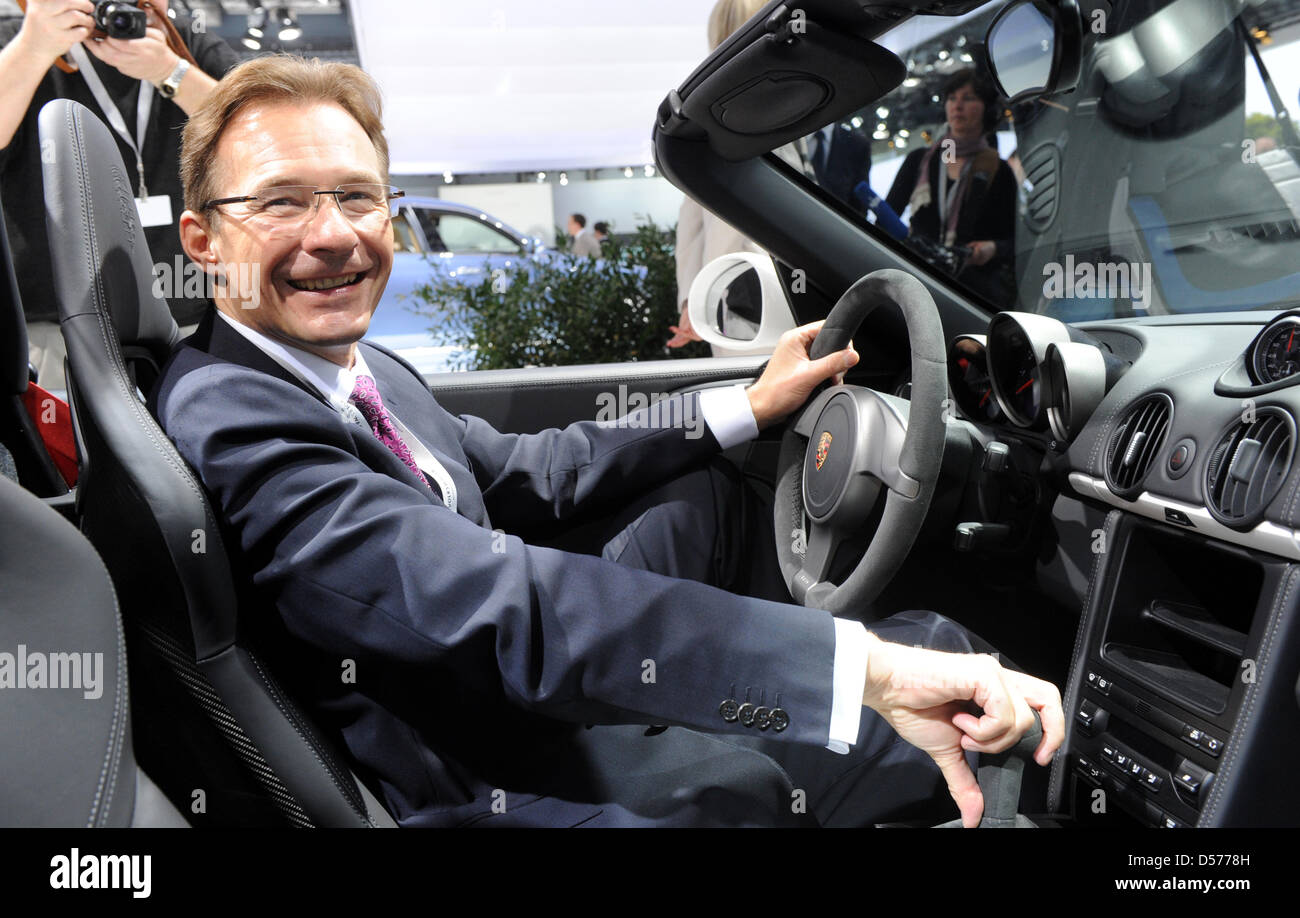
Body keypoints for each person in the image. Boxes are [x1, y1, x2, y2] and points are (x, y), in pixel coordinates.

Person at [150, 55, 1063, 828]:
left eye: (357, 196)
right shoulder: (232, 411)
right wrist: (869, 669)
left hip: (505, 708)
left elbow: (532, 470)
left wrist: (750, 400)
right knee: (915, 704)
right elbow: (504, 603)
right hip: (474, 780)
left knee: (714, 510)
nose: (334, 235)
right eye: (279, 203)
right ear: (201, 239)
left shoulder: (358, 367)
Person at [0, 0, 239, 390]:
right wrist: (34, 48)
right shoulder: (19, 42)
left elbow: (258, 132)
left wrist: (171, 71)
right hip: (58, 326)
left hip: (193, 310)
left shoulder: (185, 43)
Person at [885, 68, 1017, 305]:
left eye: (968, 98)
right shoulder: (919, 161)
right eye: (952, 98)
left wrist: (992, 249)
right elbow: (885, 219)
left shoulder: (999, 170)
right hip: (919, 282)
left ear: (986, 107)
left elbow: (1013, 239)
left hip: (974, 291)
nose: (957, 106)